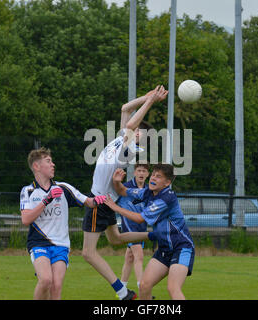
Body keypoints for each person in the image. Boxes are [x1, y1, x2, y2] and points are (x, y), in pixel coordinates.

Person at [82, 85, 168, 300]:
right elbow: (125, 109)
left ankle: (123, 293)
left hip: (99, 200)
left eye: (141, 132)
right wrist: (147, 97)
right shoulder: (122, 138)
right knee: (116, 238)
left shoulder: (129, 149)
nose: (136, 131)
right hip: (108, 199)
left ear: (141, 138)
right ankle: (155, 234)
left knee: (88, 253)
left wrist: (149, 103)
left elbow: (130, 123)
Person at [20, 147, 106, 300]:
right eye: (48, 161)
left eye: (52, 161)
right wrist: (46, 200)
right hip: (38, 243)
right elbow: (26, 220)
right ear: (36, 166)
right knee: (46, 280)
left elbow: (88, 201)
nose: (53, 164)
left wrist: (97, 200)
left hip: (61, 245)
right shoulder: (28, 191)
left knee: (56, 287)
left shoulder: (63, 188)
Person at [105, 164, 195, 300]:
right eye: (153, 174)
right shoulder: (147, 192)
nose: (153, 178)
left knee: (173, 288)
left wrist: (115, 207)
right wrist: (117, 181)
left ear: (167, 182)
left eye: (158, 176)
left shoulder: (166, 198)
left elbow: (140, 218)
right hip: (164, 249)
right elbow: (123, 191)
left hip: (181, 248)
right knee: (144, 286)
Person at [117, 163, 149, 292]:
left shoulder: (148, 190)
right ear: (134, 173)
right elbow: (115, 199)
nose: (141, 173)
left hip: (142, 226)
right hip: (129, 226)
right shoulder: (125, 187)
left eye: (144, 171)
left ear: (147, 174)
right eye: (139, 170)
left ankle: (122, 290)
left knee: (130, 258)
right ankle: (142, 289)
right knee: (139, 256)